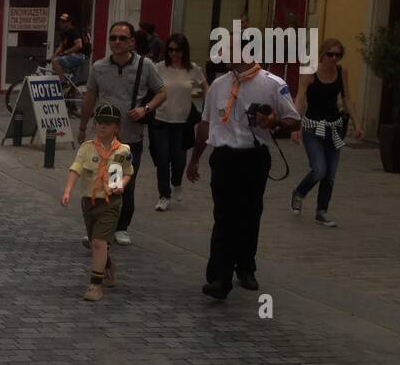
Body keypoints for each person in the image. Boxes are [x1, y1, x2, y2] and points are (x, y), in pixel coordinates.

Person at [186, 47, 301, 299]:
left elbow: (294, 119)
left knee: (249, 214)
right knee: (224, 216)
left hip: (253, 156)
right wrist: (195, 159)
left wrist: (274, 123)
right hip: (224, 157)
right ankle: (219, 277)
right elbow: (206, 122)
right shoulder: (218, 85)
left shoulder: (272, 84)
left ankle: (246, 266)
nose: (224, 54)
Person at [77, 21, 167, 245]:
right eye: (113, 38)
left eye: (122, 38)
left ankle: (120, 227)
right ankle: (98, 229)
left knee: (120, 184)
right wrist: (82, 127)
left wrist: (145, 108)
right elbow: (90, 97)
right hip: (101, 137)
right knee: (97, 182)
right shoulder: (99, 67)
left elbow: (162, 92)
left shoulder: (145, 66)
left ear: (132, 42)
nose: (116, 42)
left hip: (129, 136)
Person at [61, 103, 133, 302]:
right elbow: (76, 169)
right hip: (89, 202)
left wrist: (122, 185)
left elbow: (127, 172)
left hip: (111, 202)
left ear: (117, 127)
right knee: (96, 243)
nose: (102, 127)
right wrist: (68, 190)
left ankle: (95, 285)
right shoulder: (87, 148)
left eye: (108, 124)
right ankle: (107, 264)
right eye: (99, 123)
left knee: (100, 242)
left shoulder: (123, 150)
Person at [291, 38, 361, 227]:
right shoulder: (309, 72)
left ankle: (321, 211)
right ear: (322, 54)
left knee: (330, 173)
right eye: (330, 54)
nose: (334, 58)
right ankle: (299, 192)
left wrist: (357, 123)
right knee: (319, 169)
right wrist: (294, 127)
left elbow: (346, 98)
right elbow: (299, 100)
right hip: (312, 127)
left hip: (334, 127)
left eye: (338, 55)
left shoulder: (341, 72)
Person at [151, 33, 206, 211]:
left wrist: (211, 103)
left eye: (177, 50)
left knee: (179, 159)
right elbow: (149, 87)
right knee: (162, 159)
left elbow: (206, 87)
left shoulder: (193, 69)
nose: (174, 53)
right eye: (170, 50)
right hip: (161, 119)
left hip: (183, 122)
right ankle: (164, 195)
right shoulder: (159, 68)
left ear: (184, 51)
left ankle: (177, 183)